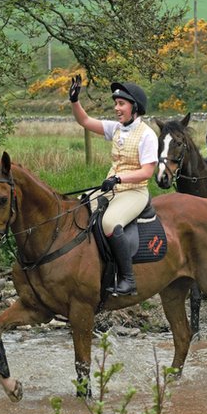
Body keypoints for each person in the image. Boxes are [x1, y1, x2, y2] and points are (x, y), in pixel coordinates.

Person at [69, 75, 158, 296]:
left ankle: (128, 279)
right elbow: (85, 121)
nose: (116, 108)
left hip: (134, 191)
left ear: (134, 107)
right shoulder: (116, 128)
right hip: (112, 188)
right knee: (79, 209)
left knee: (109, 223)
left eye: (121, 104)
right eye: (116, 104)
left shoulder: (147, 135)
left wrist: (119, 179)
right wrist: (74, 101)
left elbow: (147, 172)